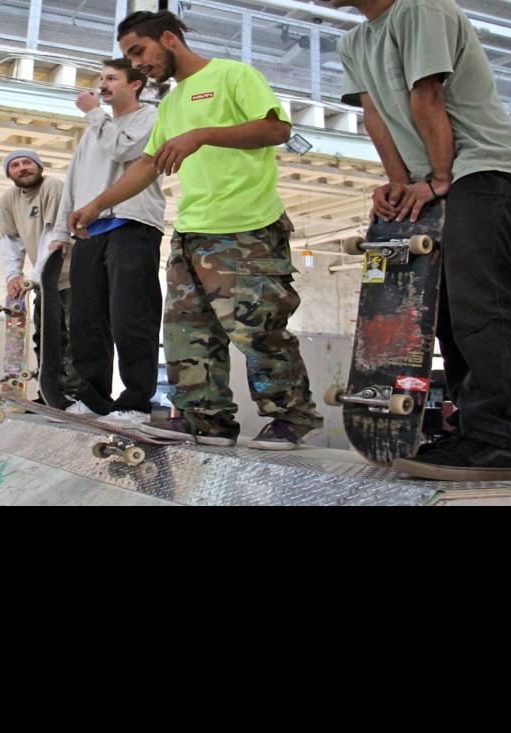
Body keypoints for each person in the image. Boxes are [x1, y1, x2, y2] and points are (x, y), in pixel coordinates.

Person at [70, 11, 321, 451]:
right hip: (191, 231)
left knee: (257, 329)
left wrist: (202, 134)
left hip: (246, 227)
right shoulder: (170, 104)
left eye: (139, 51)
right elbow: (148, 164)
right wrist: (97, 205)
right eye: (130, 56)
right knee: (187, 334)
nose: (138, 64)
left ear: (169, 39)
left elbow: (277, 128)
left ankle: (291, 417)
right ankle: (206, 419)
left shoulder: (233, 75)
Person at [331, 0, 511, 480]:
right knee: (441, 313)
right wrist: (400, 182)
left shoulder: (420, 7)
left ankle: (497, 439)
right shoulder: (353, 41)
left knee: (481, 302)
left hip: (483, 169)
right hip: (436, 178)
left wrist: (440, 177)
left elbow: (428, 93)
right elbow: (374, 116)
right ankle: (470, 429)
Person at [52, 59, 167, 427]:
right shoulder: (93, 130)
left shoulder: (151, 118)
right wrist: (61, 233)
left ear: (135, 85)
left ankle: (136, 402)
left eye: (112, 78)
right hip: (90, 232)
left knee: (131, 316)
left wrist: (93, 114)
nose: (102, 84)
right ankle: (93, 397)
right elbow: (73, 181)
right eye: (100, 78)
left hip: (132, 225)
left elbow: (123, 150)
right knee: (86, 320)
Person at [0, 148, 79, 405]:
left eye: (28, 162)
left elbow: (54, 236)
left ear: (40, 166)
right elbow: (9, 239)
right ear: (9, 173)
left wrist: (31, 276)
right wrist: (13, 275)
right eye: (15, 165)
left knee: (75, 340)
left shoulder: (52, 187)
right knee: (45, 340)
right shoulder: (9, 198)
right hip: (45, 283)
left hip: (74, 279)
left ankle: (75, 396)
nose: (22, 168)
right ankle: (50, 395)